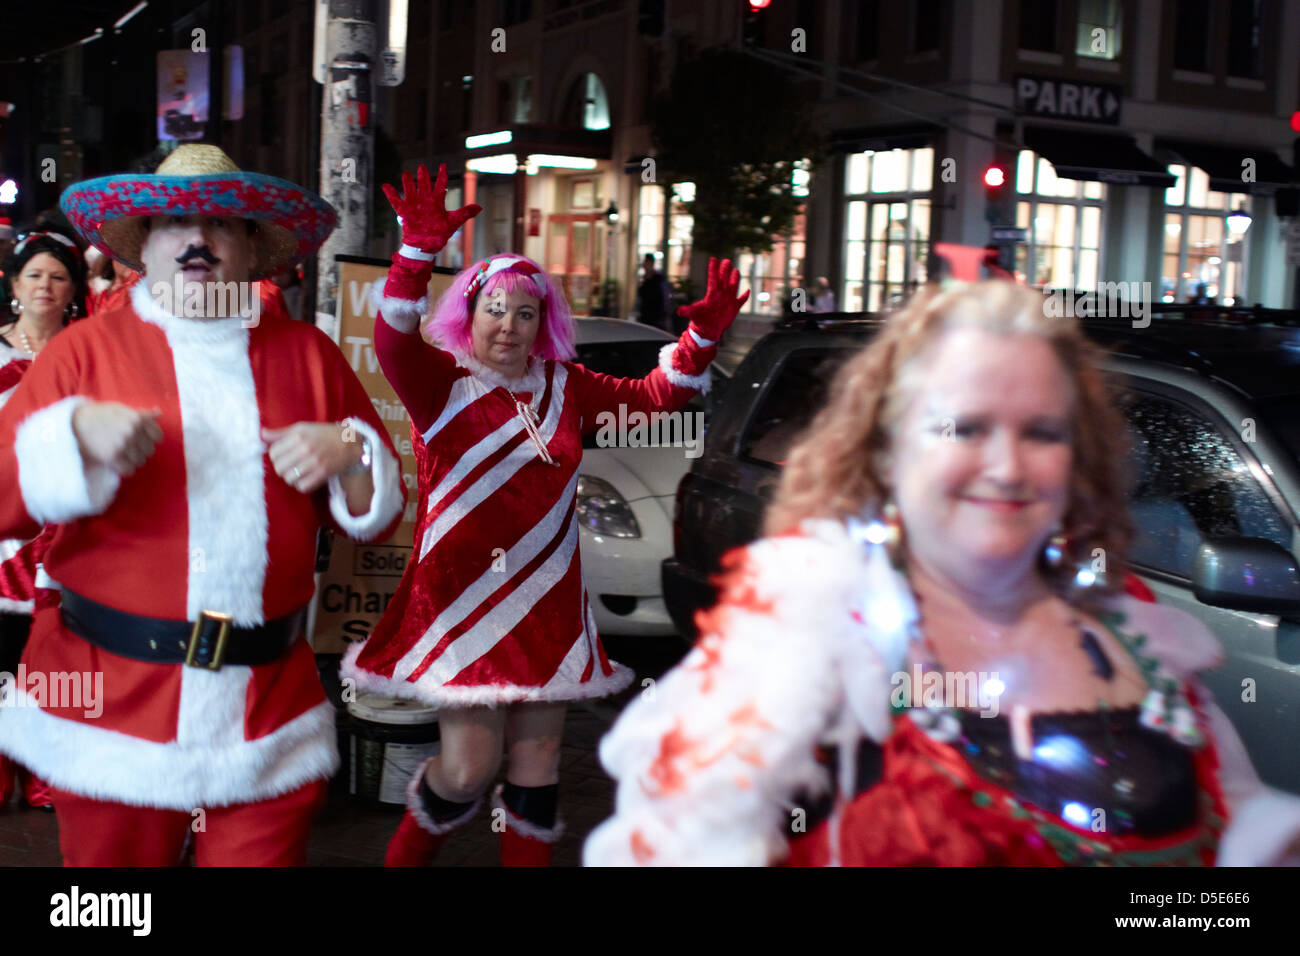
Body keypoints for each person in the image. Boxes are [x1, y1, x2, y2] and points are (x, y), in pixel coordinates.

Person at [585, 280, 1300, 866]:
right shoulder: (813, 632)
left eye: (1043, 430)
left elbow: (1233, 838)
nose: (1007, 463)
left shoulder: (1130, 621)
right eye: (966, 426)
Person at [0, 143, 406, 866]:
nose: (196, 238)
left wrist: (352, 452)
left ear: (251, 247)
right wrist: (65, 438)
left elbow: (377, 510)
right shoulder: (81, 353)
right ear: (144, 247)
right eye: (174, 222)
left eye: (220, 222)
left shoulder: (310, 354)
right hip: (108, 710)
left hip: (267, 716)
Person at [342, 164, 748, 867]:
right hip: (460, 601)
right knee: (468, 768)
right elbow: (391, 342)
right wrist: (414, 255)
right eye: (495, 308)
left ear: (543, 324)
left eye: (525, 312)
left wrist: (700, 342)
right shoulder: (440, 381)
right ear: (469, 316)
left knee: (539, 769)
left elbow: (655, 399)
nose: (509, 325)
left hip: (547, 601)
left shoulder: (567, 384)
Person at [0, 232, 88, 811]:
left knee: (56, 653)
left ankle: (45, 774)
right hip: (4, 521)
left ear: (73, 291)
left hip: (64, 522)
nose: (45, 287)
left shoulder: (87, 352)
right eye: (34, 275)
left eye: (57, 277)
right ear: (13, 286)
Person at [635, 253, 673, 333]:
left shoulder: (658, 280)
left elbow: (665, 298)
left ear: (651, 263)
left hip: (656, 318)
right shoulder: (646, 280)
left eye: (646, 262)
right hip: (646, 316)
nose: (645, 265)